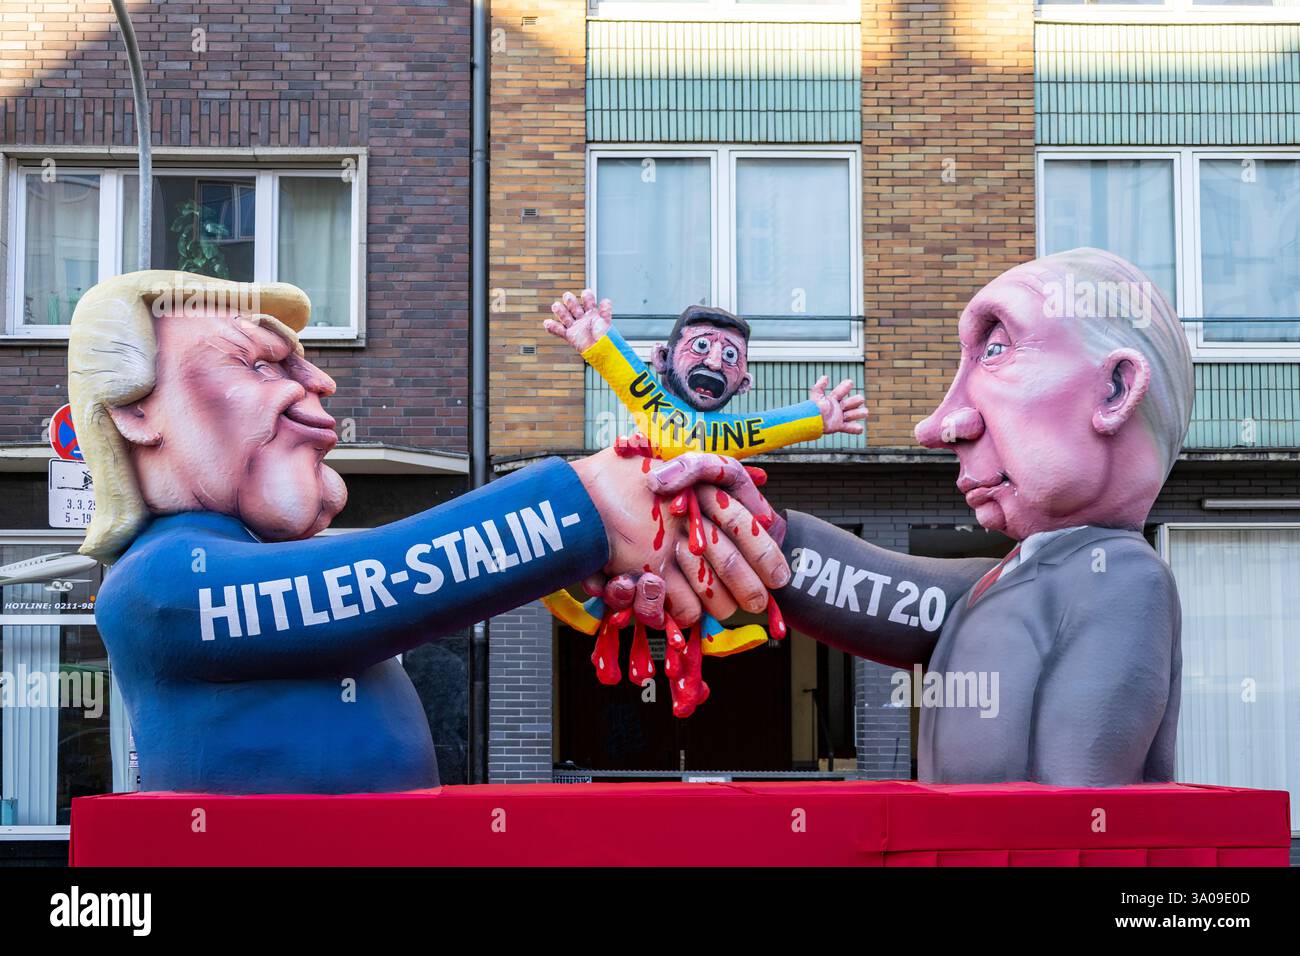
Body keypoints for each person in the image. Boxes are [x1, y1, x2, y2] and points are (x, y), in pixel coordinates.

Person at [69, 271, 785, 794]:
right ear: (135, 411)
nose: (319, 384)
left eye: (303, 363)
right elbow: (385, 577)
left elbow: (396, 569)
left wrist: (578, 560)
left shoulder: (281, 570)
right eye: (258, 363)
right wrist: (586, 507)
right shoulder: (157, 588)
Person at [647, 249, 1196, 787]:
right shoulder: (997, 583)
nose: (937, 426)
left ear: (1116, 390)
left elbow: (1080, 829)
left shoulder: (1122, 581)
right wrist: (745, 519)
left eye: (996, 350)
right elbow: (867, 586)